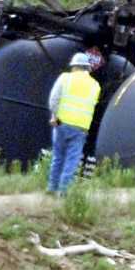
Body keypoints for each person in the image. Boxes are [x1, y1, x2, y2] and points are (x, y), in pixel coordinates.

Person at [45, 52, 100, 194]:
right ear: (87, 68)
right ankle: (63, 191)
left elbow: (53, 100)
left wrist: (54, 117)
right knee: (72, 161)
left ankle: (51, 188)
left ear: (74, 66)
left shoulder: (65, 78)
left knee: (58, 157)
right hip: (80, 128)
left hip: (61, 124)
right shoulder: (95, 85)